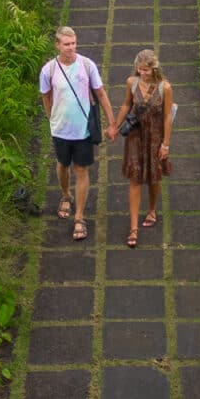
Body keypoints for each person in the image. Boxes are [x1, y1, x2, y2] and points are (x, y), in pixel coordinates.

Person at [39, 26, 115, 242]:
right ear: (57, 45)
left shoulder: (87, 65)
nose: (71, 48)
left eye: (73, 43)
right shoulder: (49, 70)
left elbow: (100, 93)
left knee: (82, 170)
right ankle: (65, 195)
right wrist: (52, 118)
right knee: (62, 165)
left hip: (83, 130)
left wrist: (111, 122)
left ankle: (79, 217)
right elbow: (46, 96)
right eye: (66, 44)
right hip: (61, 129)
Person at [111, 48, 173, 247]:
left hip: (155, 139)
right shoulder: (132, 82)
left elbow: (167, 117)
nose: (142, 73)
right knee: (135, 179)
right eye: (139, 69)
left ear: (154, 68)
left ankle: (152, 209)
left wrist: (166, 144)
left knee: (154, 178)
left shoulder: (165, 88)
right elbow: (126, 106)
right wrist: (114, 126)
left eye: (145, 70)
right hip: (135, 139)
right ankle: (133, 228)